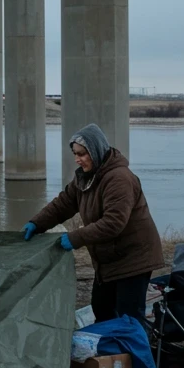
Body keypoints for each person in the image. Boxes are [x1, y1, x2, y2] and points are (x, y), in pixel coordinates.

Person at [22, 123, 164, 330]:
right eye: (75, 154)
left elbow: (113, 223)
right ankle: (110, 359)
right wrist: (36, 223)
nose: (78, 159)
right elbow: (63, 204)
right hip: (108, 261)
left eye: (82, 154)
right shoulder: (85, 177)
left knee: (129, 319)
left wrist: (75, 238)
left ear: (96, 150)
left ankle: (136, 360)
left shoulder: (119, 178)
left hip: (134, 258)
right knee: (102, 311)